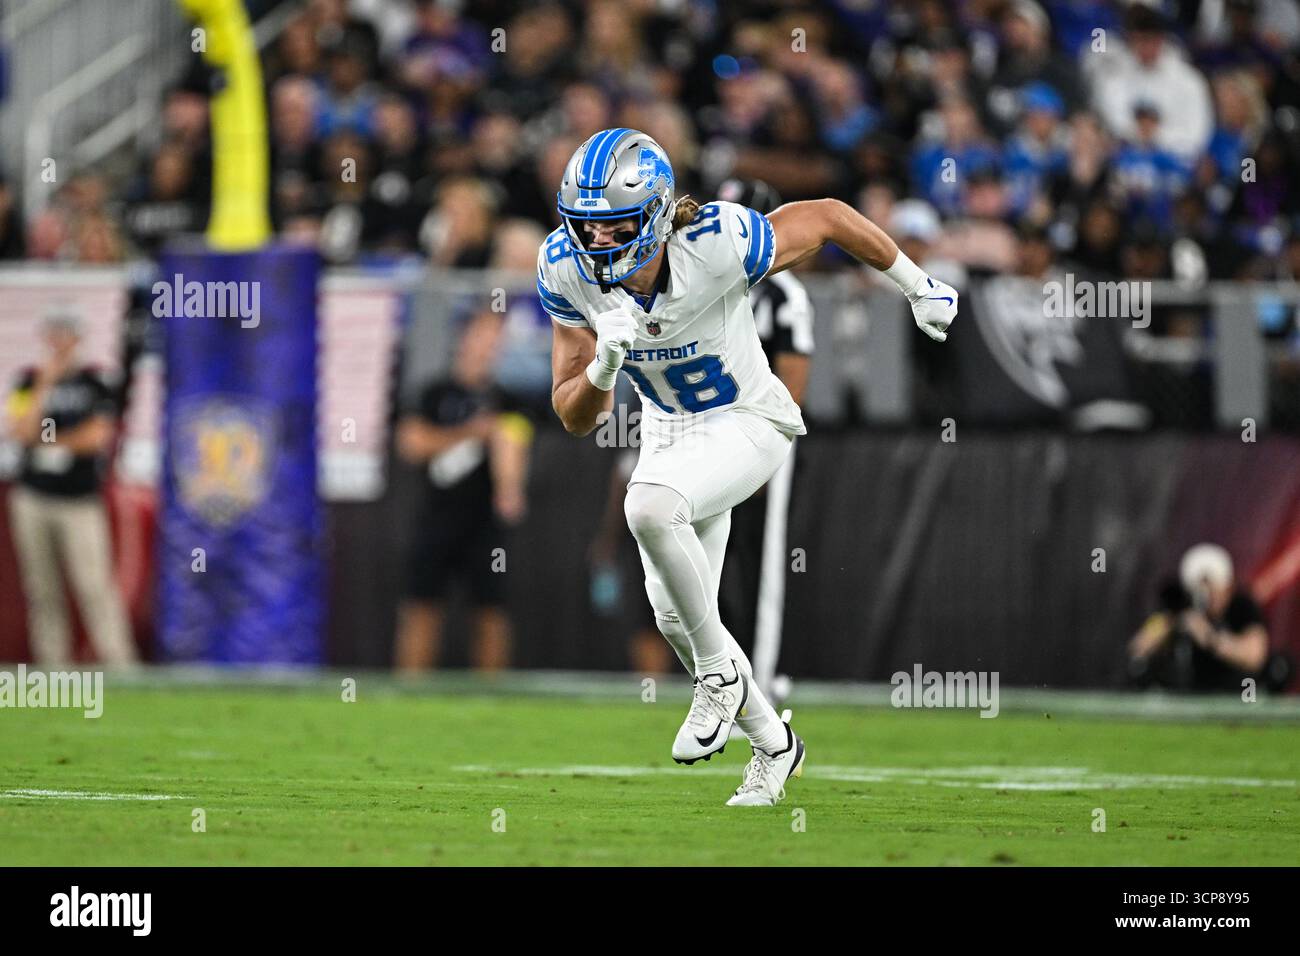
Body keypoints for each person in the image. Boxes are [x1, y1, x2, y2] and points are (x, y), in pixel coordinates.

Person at [541, 128, 957, 806]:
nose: (594, 246)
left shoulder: (716, 242)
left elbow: (825, 216)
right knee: (676, 612)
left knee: (648, 507)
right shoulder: (564, 268)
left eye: (611, 226)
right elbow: (574, 414)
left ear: (651, 215)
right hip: (670, 431)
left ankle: (717, 676)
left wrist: (916, 284)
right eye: (583, 228)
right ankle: (774, 746)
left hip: (748, 417)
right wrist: (603, 366)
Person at [393, 312, 531, 673]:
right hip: (437, 518)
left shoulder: (507, 400)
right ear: (463, 339)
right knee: (421, 606)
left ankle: (491, 697)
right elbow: (411, 444)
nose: (486, 347)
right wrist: (471, 432)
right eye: (480, 337)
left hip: (485, 524)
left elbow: (513, 444)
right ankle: (409, 691)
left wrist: (510, 488)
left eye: (495, 340)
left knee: (491, 611)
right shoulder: (434, 393)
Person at [5, 310, 137, 667]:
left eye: (66, 334)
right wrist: (46, 386)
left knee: (94, 586)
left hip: (78, 499)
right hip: (33, 497)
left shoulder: (94, 383)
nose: (59, 341)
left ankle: (121, 665)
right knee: (42, 590)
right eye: (54, 333)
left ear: (78, 339)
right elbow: (20, 430)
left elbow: (97, 437)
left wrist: (50, 443)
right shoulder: (29, 381)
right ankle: (53, 668)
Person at [1127, 543, 1283, 692]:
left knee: (1279, 667)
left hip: (1234, 685)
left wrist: (1210, 639)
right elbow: (1138, 647)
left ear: (1227, 587)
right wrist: (1172, 623)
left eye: (1211, 586)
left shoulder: (1242, 605)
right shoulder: (1181, 607)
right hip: (1189, 686)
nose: (1207, 594)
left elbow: (1255, 657)